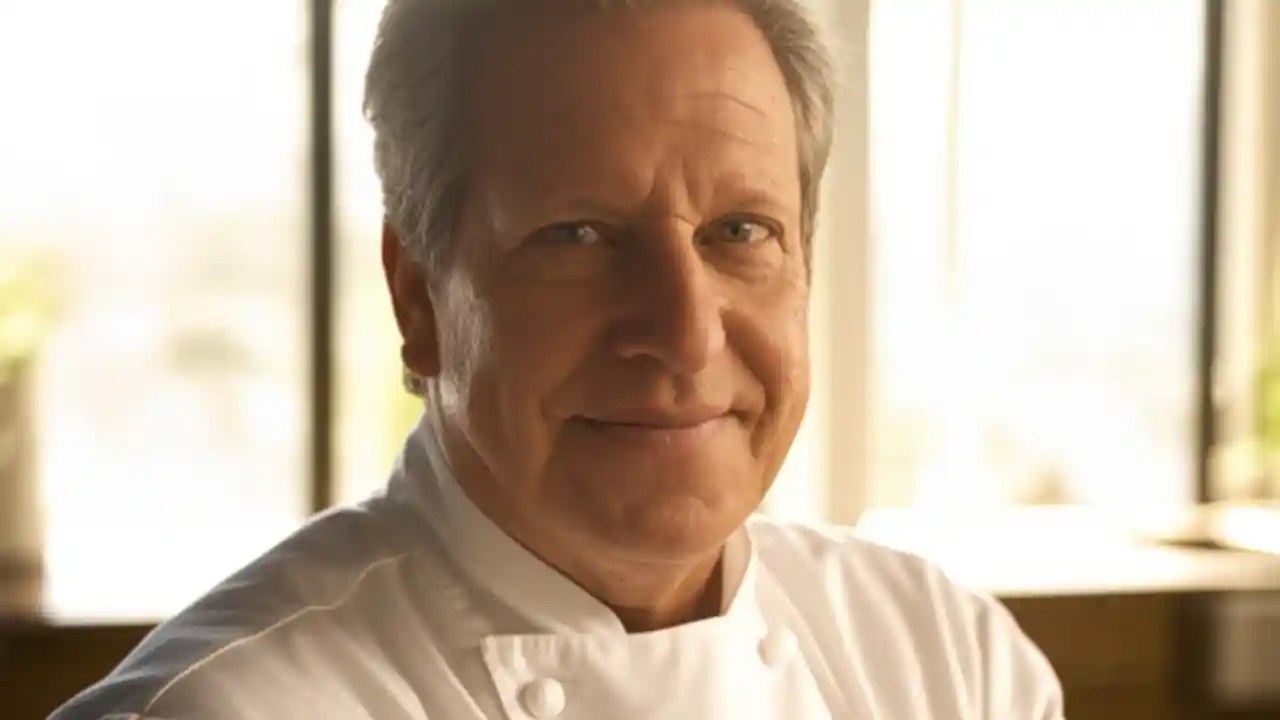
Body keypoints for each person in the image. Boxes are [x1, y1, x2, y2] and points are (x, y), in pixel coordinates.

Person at [54, 1, 1066, 718]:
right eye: (578, 235)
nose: (684, 333)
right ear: (419, 298)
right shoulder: (230, 707)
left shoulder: (944, 662)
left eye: (739, 231)